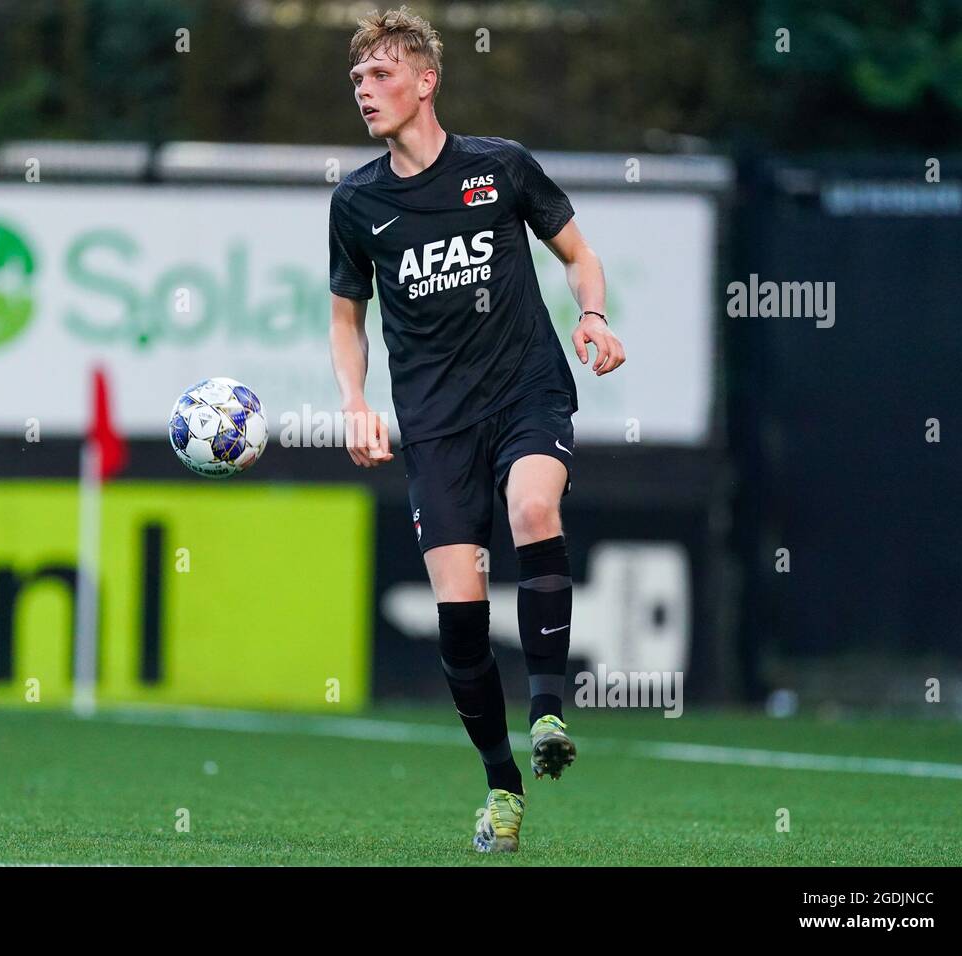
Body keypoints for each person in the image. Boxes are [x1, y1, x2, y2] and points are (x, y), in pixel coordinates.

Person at [327, 6, 626, 853]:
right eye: (357, 79)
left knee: (534, 510)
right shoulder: (358, 201)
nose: (365, 90)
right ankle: (502, 786)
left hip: (526, 392)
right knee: (459, 618)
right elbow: (346, 317)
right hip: (434, 427)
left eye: (381, 75)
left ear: (427, 81)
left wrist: (594, 315)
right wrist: (354, 402)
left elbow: (579, 254)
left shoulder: (499, 169)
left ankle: (547, 714)